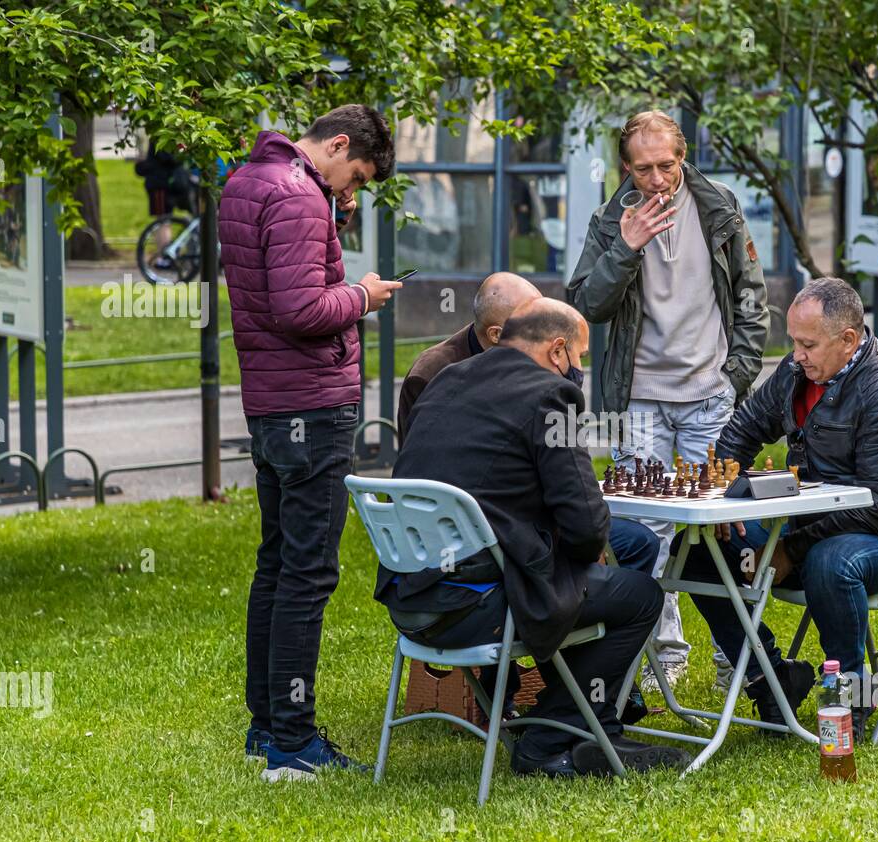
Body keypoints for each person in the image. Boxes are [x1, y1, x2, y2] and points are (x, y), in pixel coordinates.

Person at [377, 298, 691, 777]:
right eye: (579, 358)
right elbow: (586, 529)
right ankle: (550, 733)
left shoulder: (447, 379)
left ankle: (596, 719)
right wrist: (582, 554)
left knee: (629, 545)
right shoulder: (550, 395)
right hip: (478, 603)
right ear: (557, 350)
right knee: (640, 595)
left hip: (411, 597)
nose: (579, 369)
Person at [675, 278, 878, 742]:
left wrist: (791, 551)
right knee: (698, 549)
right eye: (794, 342)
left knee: (831, 562)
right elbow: (742, 430)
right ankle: (772, 681)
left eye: (807, 344)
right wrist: (723, 504)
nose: (796, 354)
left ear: (848, 341)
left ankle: (851, 699)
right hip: (811, 534)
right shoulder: (797, 372)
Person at [219, 104, 402, 781]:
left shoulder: (251, 178)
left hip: (269, 404)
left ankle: (267, 725)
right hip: (311, 405)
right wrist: (362, 295)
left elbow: (272, 281)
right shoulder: (299, 195)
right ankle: (293, 743)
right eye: (354, 175)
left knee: (276, 565)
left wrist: (332, 225)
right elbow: (299, 310)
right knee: (308, 574)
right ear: (339, 143)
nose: (350, 190)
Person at [567, 110, 770, 695]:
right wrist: (626, 248)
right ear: (626, 167)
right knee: (644, 536)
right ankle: (663, 656)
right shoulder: (611, 220)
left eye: (667, 164)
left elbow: (751, 296)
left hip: (710, 394)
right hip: (638, 402)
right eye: (643, 168)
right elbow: (586, 305)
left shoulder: (719, 203)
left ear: (682, 157)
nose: (657, 179)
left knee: (725, 532)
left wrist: (736, 377)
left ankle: (739, 658)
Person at [396, 272, 540, 447]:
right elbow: (419, 460)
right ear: (496, 334)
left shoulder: (542, 357)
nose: (546, 331)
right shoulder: (430, 374)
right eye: (533, 324)